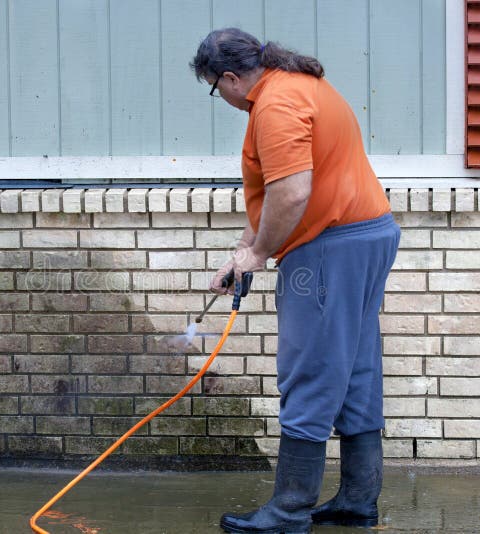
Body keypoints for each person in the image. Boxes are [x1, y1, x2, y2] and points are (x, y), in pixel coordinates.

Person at [190, 28, 401, 533]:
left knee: (309, 372)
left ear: (230, 77)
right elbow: (272, 192)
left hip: (328, 246)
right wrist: (243, 252)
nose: (222, 99)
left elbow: (292, 192)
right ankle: (357, 500)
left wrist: (260, 254)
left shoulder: (276, 105)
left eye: (216, 90)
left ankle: (288, 511)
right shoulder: (300, 85)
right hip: (366, 235)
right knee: (355, 370)